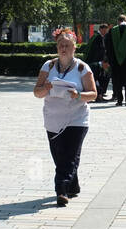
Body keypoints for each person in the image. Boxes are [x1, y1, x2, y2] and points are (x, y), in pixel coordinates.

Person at [31, 28, 97, 207]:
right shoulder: (48, 66)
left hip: (77, 119)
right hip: (53, 119)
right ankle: (72, 186)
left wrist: (77, 95)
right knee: (59, 156)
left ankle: (61, 190)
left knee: (68, 156)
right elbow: (37, 92)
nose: (63, 49)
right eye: (60, 45)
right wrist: (45, 88)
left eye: (67, 45)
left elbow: (93, 94)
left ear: (74, 47)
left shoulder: (83, 68)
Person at [107, 15, 126, 106]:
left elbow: (107, 46)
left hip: (115, 61)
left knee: (117, 81)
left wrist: (110, 58)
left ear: (118, 21)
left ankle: (119, 100)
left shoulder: (112, 31)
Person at [88, 23, 111, 101]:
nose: (105, 32)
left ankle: (100, 94)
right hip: (96, 62)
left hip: (98, 62)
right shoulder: (97, 37)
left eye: (106, 31)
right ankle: (99, 95)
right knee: (100, 78)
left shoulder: (97, 37)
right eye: (104, 30)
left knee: (103, 77)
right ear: (100, 29)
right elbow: (97, 51)